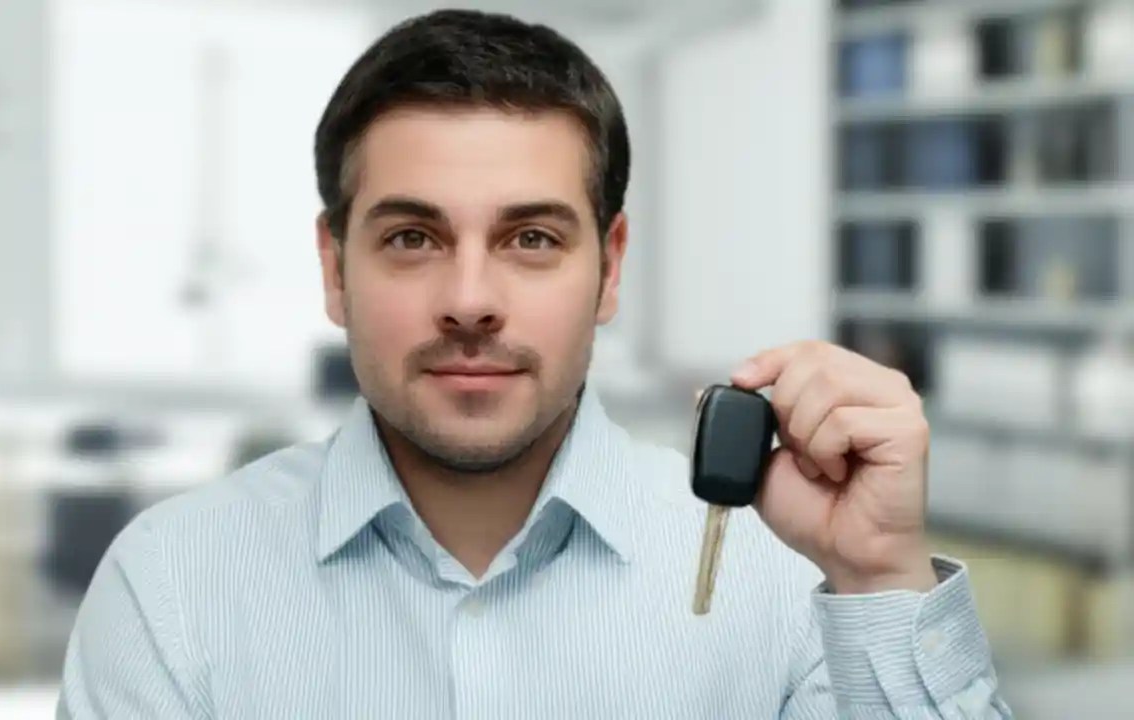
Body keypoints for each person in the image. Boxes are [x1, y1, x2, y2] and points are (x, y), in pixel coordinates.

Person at [58, 9, 1012, 718]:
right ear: (333, 269)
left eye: (530, 240)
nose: (470, 298)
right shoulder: (173, 582)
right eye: (413, 238)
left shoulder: (791, 582)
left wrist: (881, 578)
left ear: (610, 268)